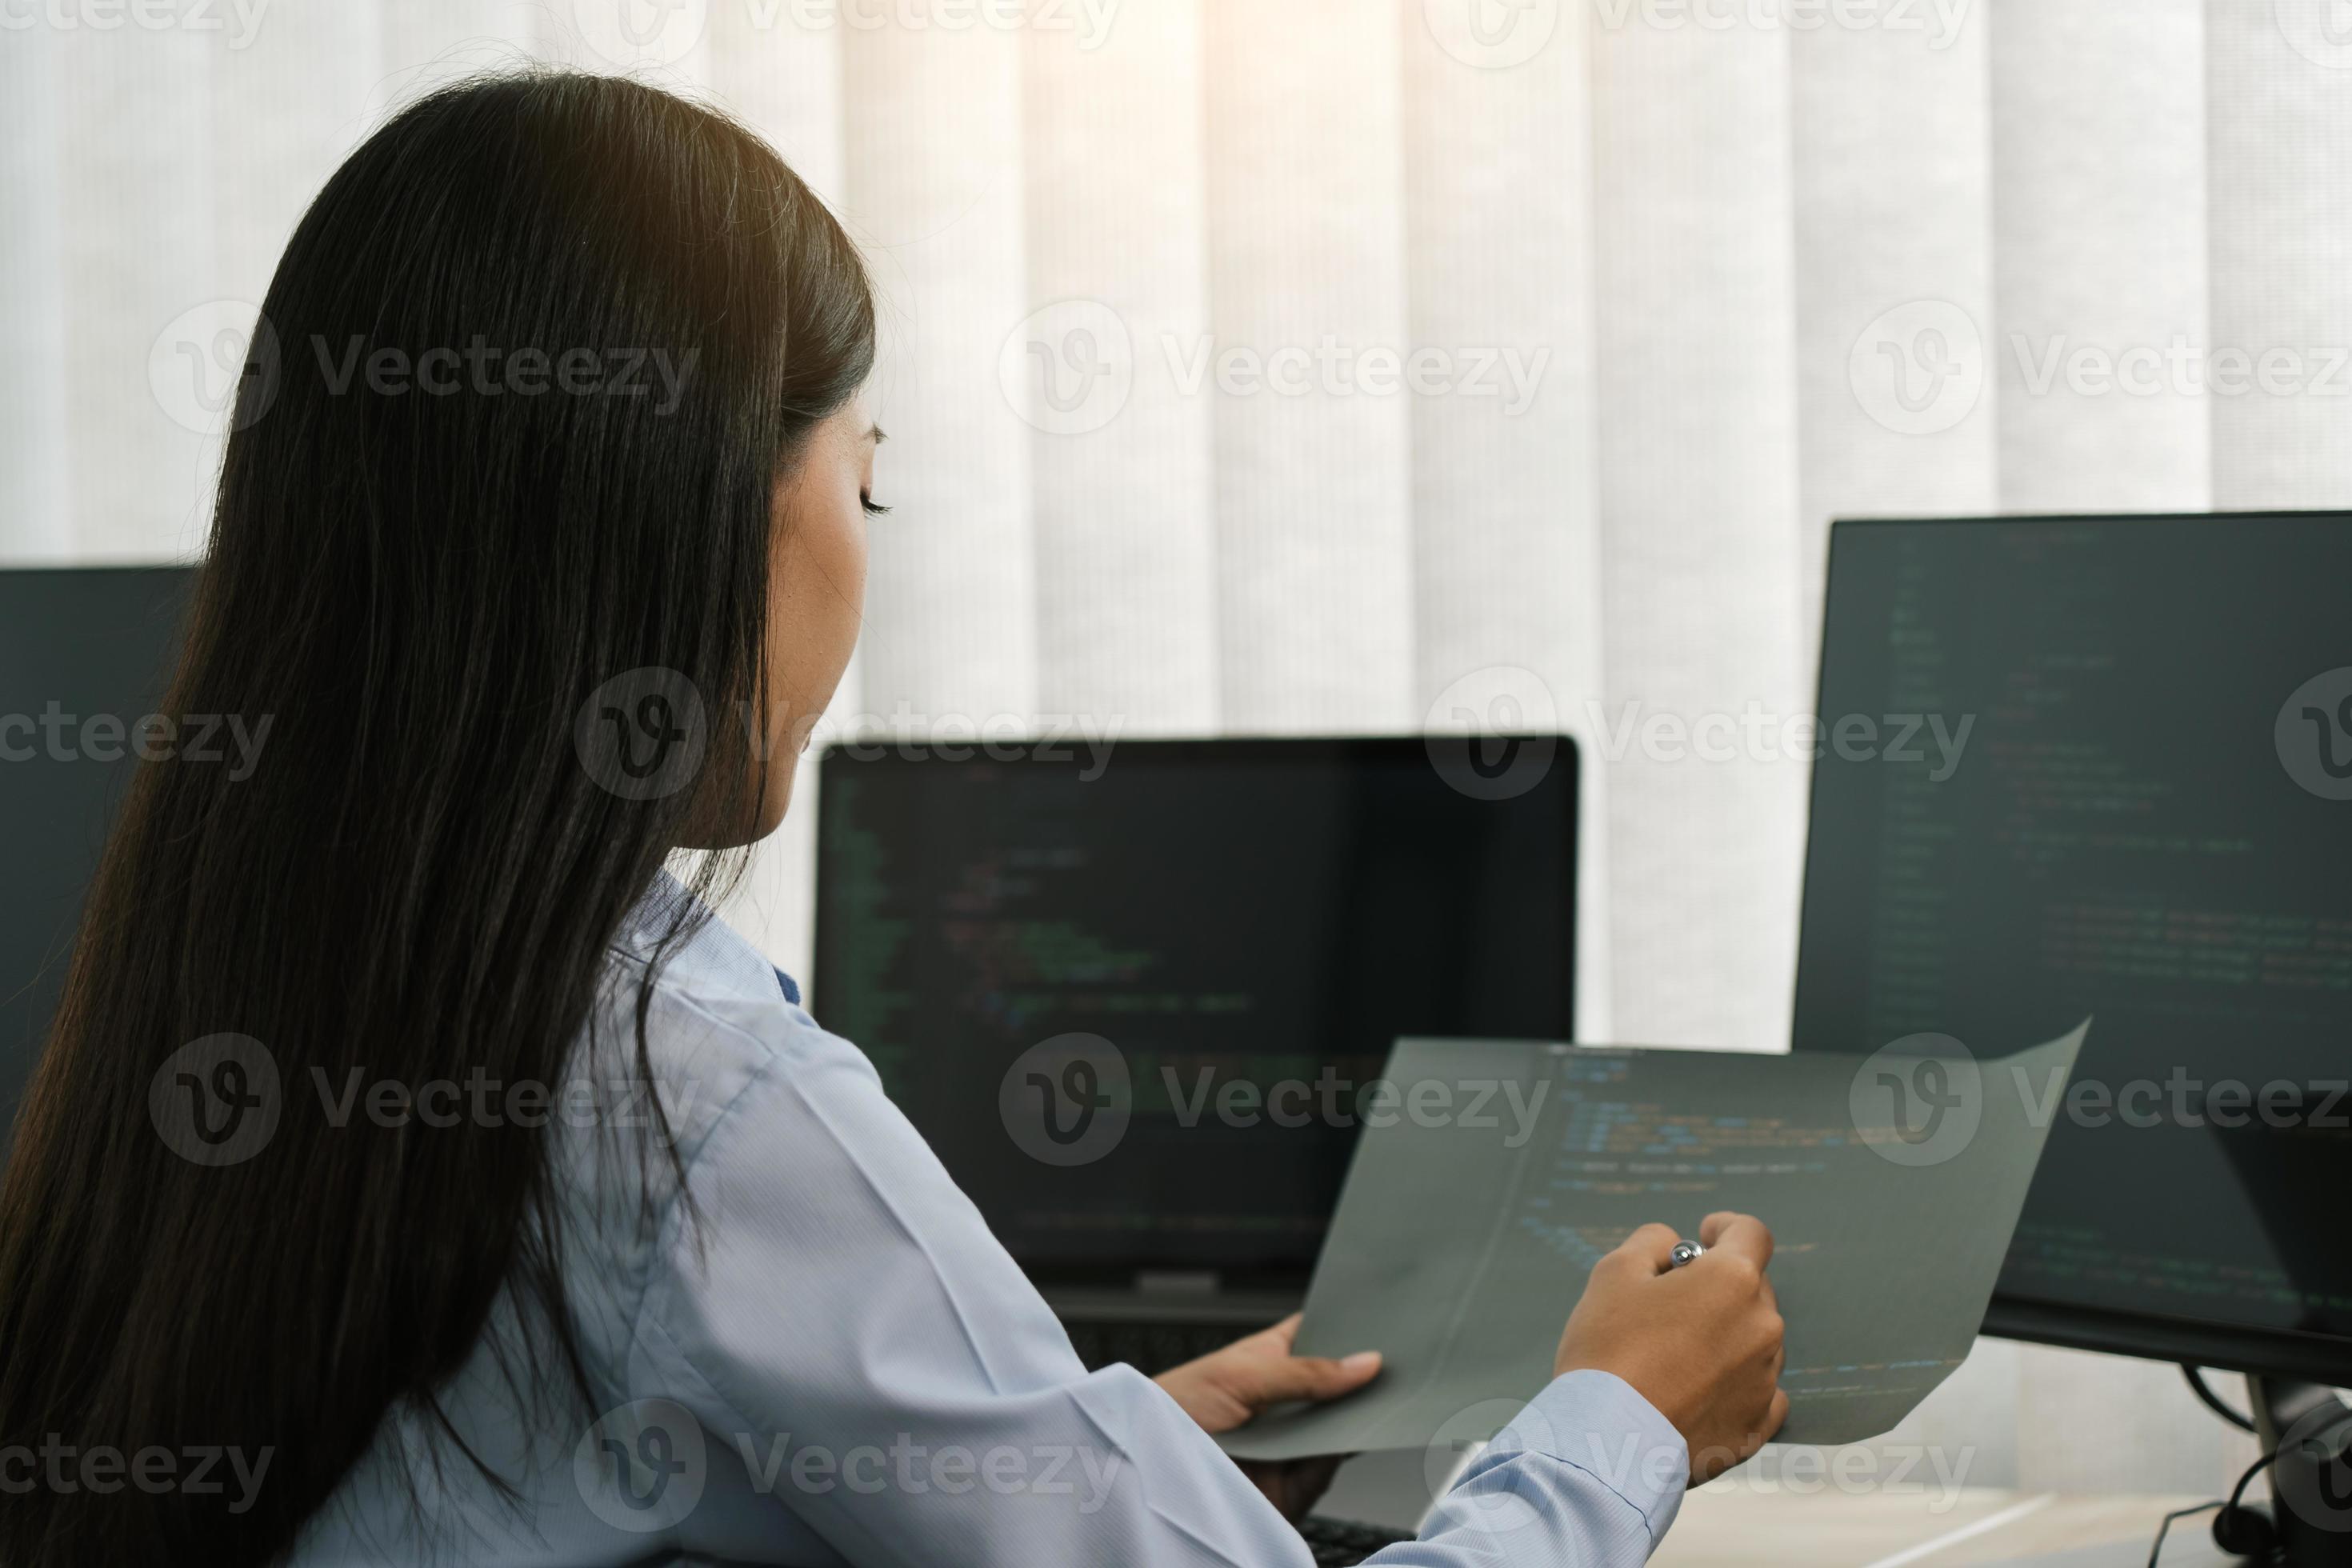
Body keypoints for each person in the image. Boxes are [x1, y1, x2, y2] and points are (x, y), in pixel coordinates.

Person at [0, 72, 1786, 1567]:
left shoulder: (241, 981)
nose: (868, 546)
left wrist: (1083, 1449)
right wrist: (1619, 1419)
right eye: (869, 478)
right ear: (699, 515)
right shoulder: (680, 1078)